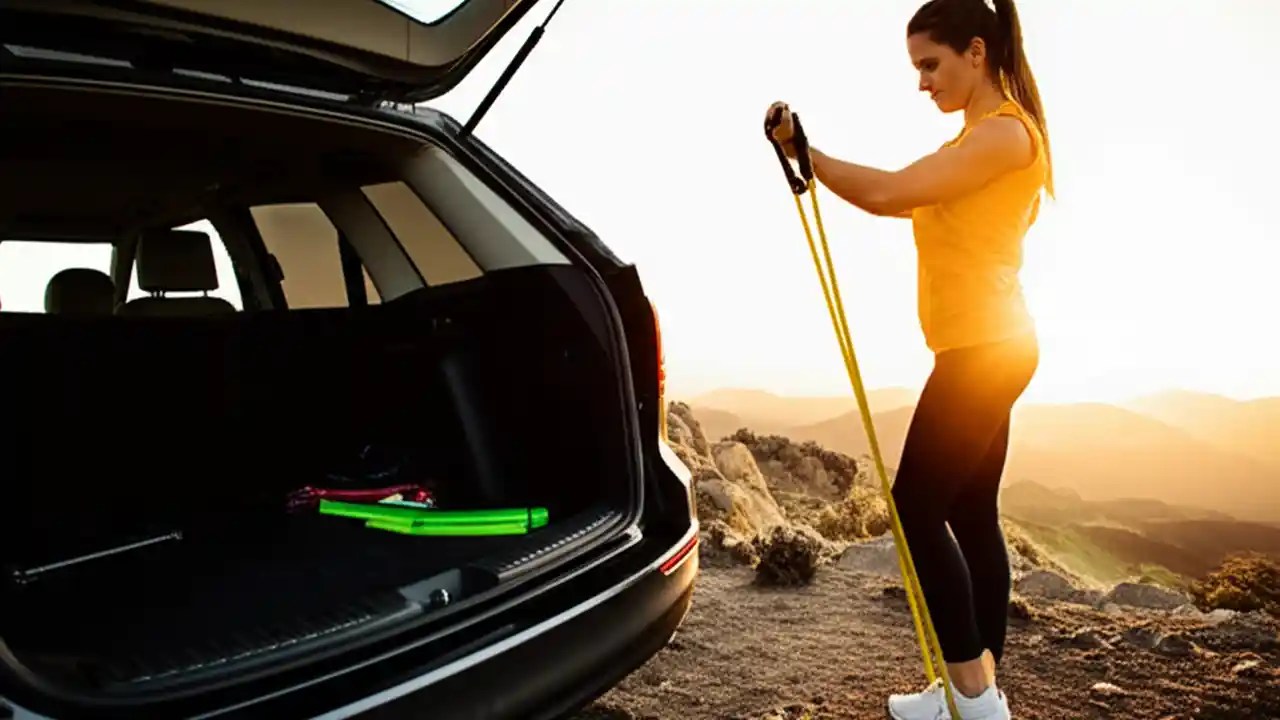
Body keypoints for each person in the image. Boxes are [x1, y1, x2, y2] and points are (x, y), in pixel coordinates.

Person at [765, 0, 1051, 717]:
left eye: (931, 64)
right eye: (917, 68)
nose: (922, 82)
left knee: (917, 508)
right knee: (971, 512)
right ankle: (970, 687)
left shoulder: (1005, 137)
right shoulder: (979, 138)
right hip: (985, 346)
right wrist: (810, 156)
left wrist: (810, 155)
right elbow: (899, 189)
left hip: (987, 351)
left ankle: (975, 702)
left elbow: (890, 192)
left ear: (976, 53)